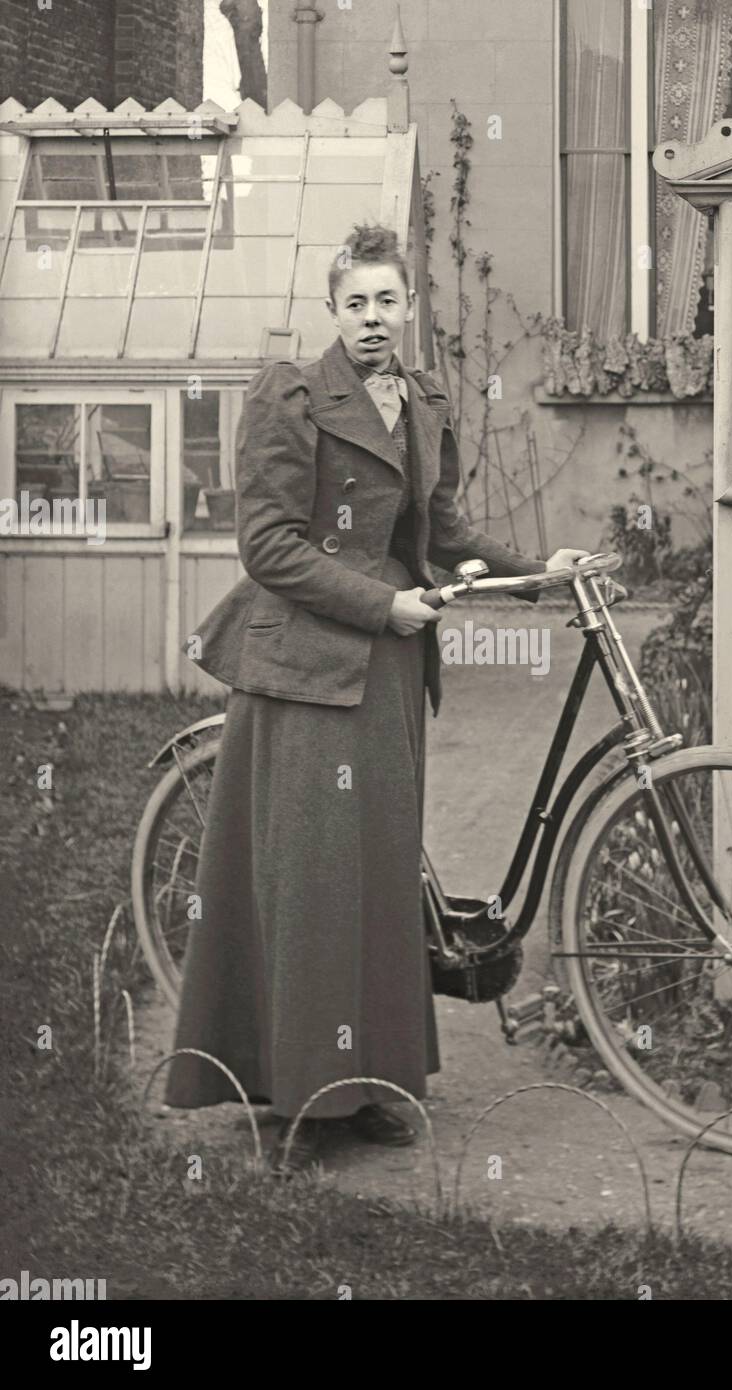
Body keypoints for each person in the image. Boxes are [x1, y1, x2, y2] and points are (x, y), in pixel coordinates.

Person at [164, 223, 588, 1167]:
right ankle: (295, 1102)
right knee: (312, 887)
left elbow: (442, 534)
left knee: (380, 887)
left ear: (410, 309)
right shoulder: (292, 397)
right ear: (333, 310)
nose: (371, 318)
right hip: (306, 669)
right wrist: (382, 605)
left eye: (386, 301)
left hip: (391, 672)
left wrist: (537, 575)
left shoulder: (427, 400)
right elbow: (267, 546)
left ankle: (368, 1086)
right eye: (354, 302)